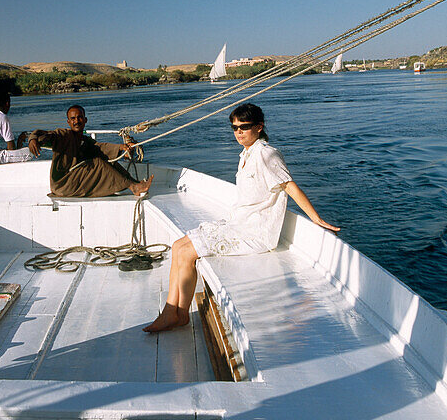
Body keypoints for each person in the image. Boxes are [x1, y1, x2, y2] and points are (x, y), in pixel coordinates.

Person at [143, 103, 339, 333]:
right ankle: (171, 312)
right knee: (178, 246)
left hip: (255, 232)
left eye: (244, 127)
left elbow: (289, 186)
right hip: (240, 223)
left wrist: (316, 218)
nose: (238, 133)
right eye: (234, 128)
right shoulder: (247, 153)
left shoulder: (267, 154)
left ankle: (179, 314)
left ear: (259, 127)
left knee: (186, 252)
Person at [27, 105, 153, 199]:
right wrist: (33, 139)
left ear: (85, 120)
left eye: (79, 117)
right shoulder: (63, 135)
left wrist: (121, 147)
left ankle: (134, 183)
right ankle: (133, 187)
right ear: (68, 122)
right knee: (98, 164)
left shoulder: (84, 140)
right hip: (63, 184)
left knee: (106, 159)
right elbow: (44, 135)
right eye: (73, 119)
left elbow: (100, 148)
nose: (76, 121)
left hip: (75, 179)